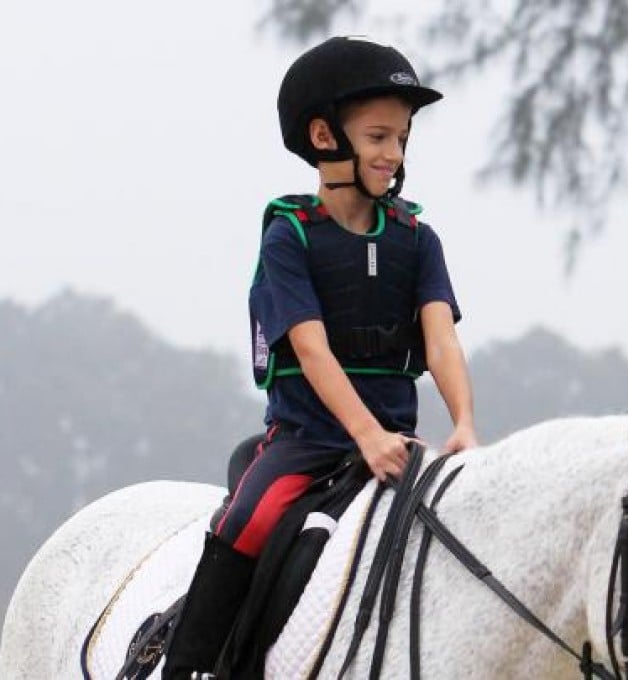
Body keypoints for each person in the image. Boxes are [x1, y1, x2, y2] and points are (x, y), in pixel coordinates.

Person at [162, 36, 478, 679]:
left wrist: (465, 424)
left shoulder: (418, 240)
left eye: (402, 139)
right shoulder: (291, 236)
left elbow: (441, 339)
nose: (394, 154)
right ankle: (189, 667)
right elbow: (308, 346)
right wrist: (363, 434)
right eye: (380, 137)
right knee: (243, 523)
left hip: (399, 444)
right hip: (308, 441)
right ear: (323, 135)